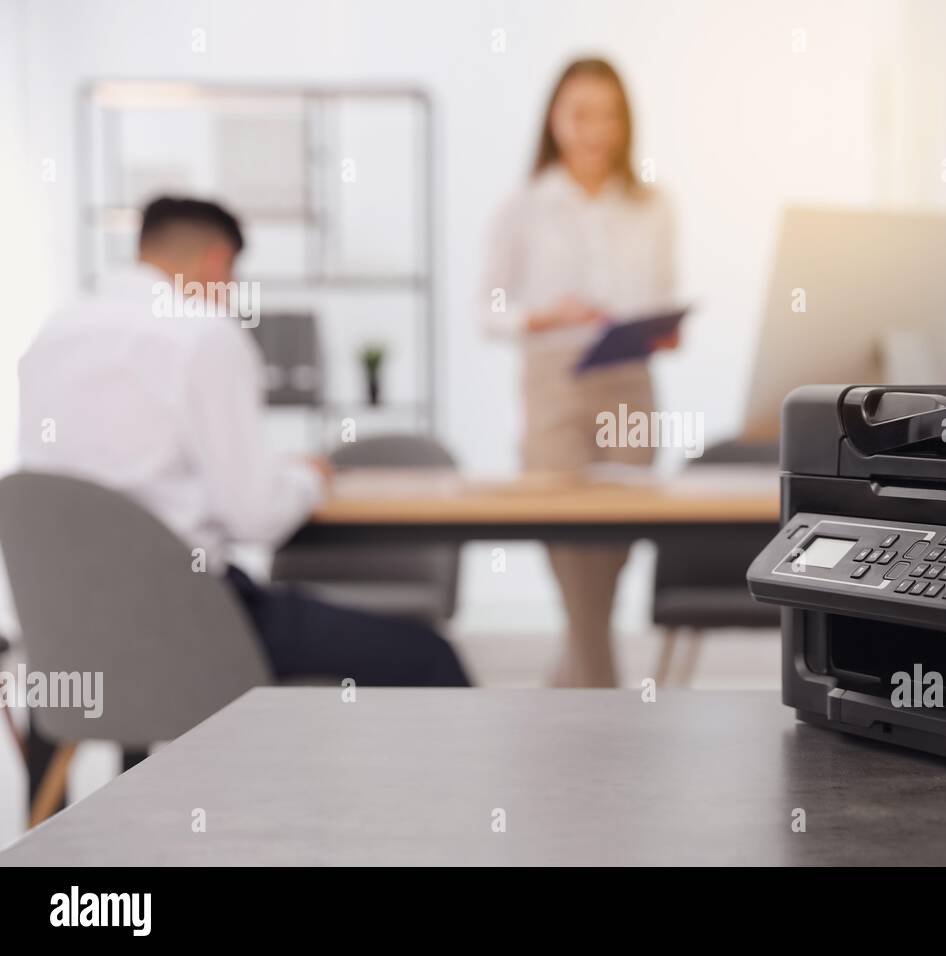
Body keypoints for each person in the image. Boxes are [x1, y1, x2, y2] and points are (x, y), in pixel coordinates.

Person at [18, 196, 471, 692]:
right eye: (232, 278)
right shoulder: (203, 334)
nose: (231, 293)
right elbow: (257, 518)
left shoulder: (54, 334)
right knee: (428, 656)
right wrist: (308, 477)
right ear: (216, 260)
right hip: (188, 620)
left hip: (68, 628)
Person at [480, 58, 679, 687]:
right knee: (566, 540)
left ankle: (572, 683)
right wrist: (540, 318)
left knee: (613, 545)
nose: (595, 129)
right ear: (554, 120)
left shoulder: (654, 206)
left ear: (627, 124)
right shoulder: (524, 205)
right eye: (580, 113)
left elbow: (662, 294)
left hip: (628, 383)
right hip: (553, 385)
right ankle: (600, 685)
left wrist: (660, 328)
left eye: (609, 114)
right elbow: (486, 310)